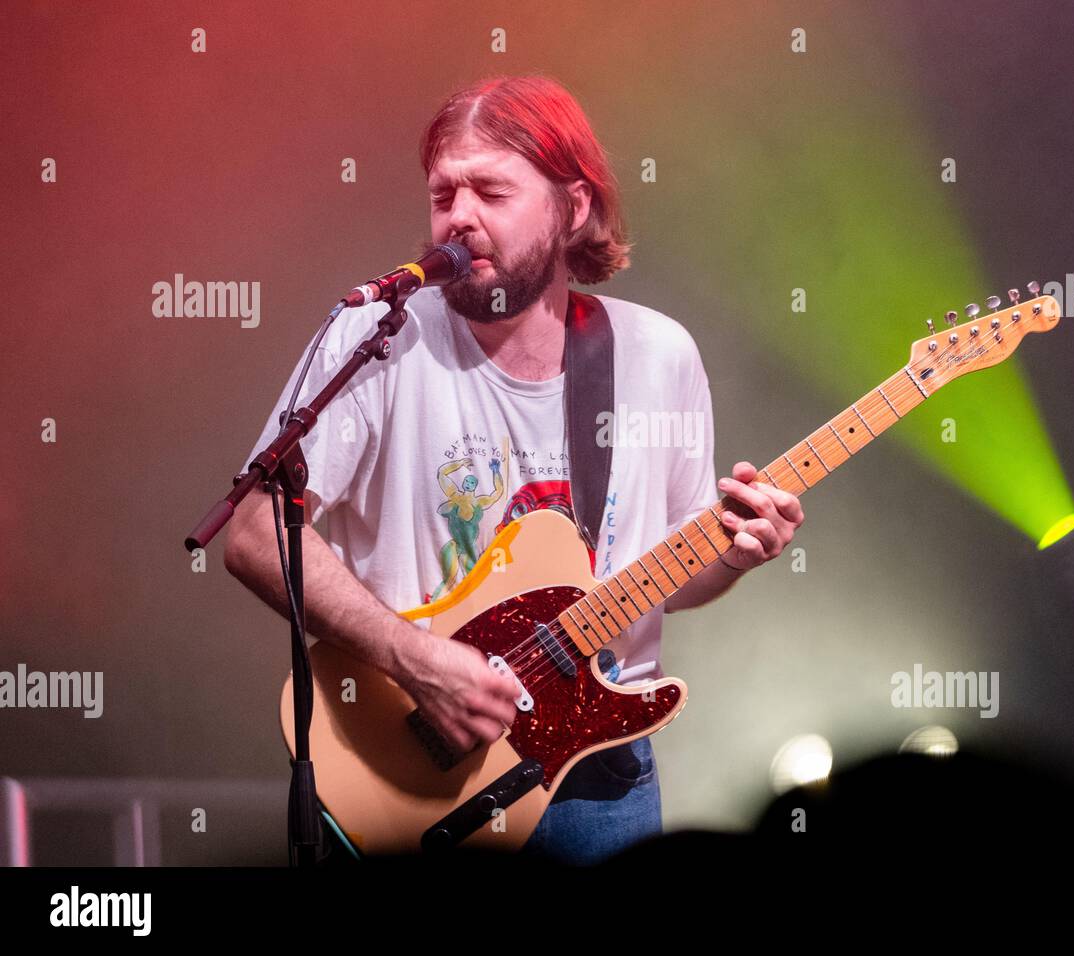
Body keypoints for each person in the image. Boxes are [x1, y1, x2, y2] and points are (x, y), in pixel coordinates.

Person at [224, 74, 805, 866]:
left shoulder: (658, 356)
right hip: (420, 760)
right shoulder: (381, 337)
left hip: (599, 773)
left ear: (573, 208)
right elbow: (255, 534)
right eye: (444, 194)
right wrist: (418, 661)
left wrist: (733, 559)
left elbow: (673, 572)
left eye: (490, 191)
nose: (459, 215)